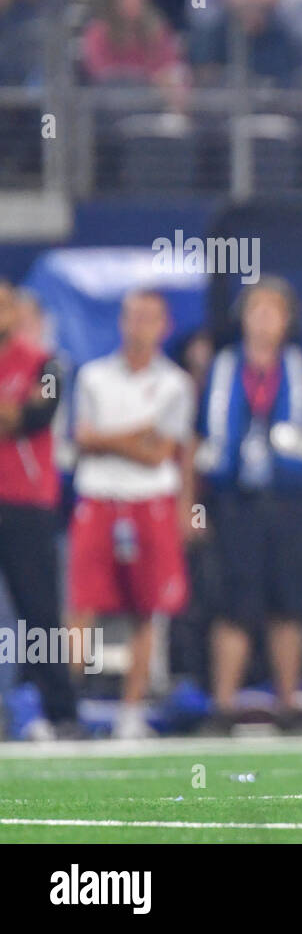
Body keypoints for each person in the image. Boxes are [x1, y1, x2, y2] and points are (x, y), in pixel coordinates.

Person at [196, 278, 302, 733]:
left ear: (287, 322)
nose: (263, 320)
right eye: (255, 310)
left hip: (289, 504)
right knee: (233, 606)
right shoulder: (223, 369)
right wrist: (192, 507)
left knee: (288, 605)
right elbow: (194, 440)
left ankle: (288, 704)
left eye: (273, 311)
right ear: (242, 318)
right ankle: (223, 707)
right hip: (235, 502)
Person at [67, 290, 195, 739]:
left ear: (164, 325)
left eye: (149, 317)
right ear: (121, 321)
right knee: (82, 605)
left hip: (150, 503)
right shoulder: (93, 377)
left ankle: (130, 712)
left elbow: (159, 452)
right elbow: (82, 438)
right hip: (99, 499)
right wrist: (135, 434)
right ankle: (69, 708)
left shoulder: (176, 383)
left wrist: (109, 438)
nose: (139, 325)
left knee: (148, 610)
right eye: (133, 316)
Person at [0, 281, 79, 739]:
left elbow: (36, 415)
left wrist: (17, 412)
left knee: (40, 612)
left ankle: (61, 712)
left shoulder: (45, 364)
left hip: (26, 503)